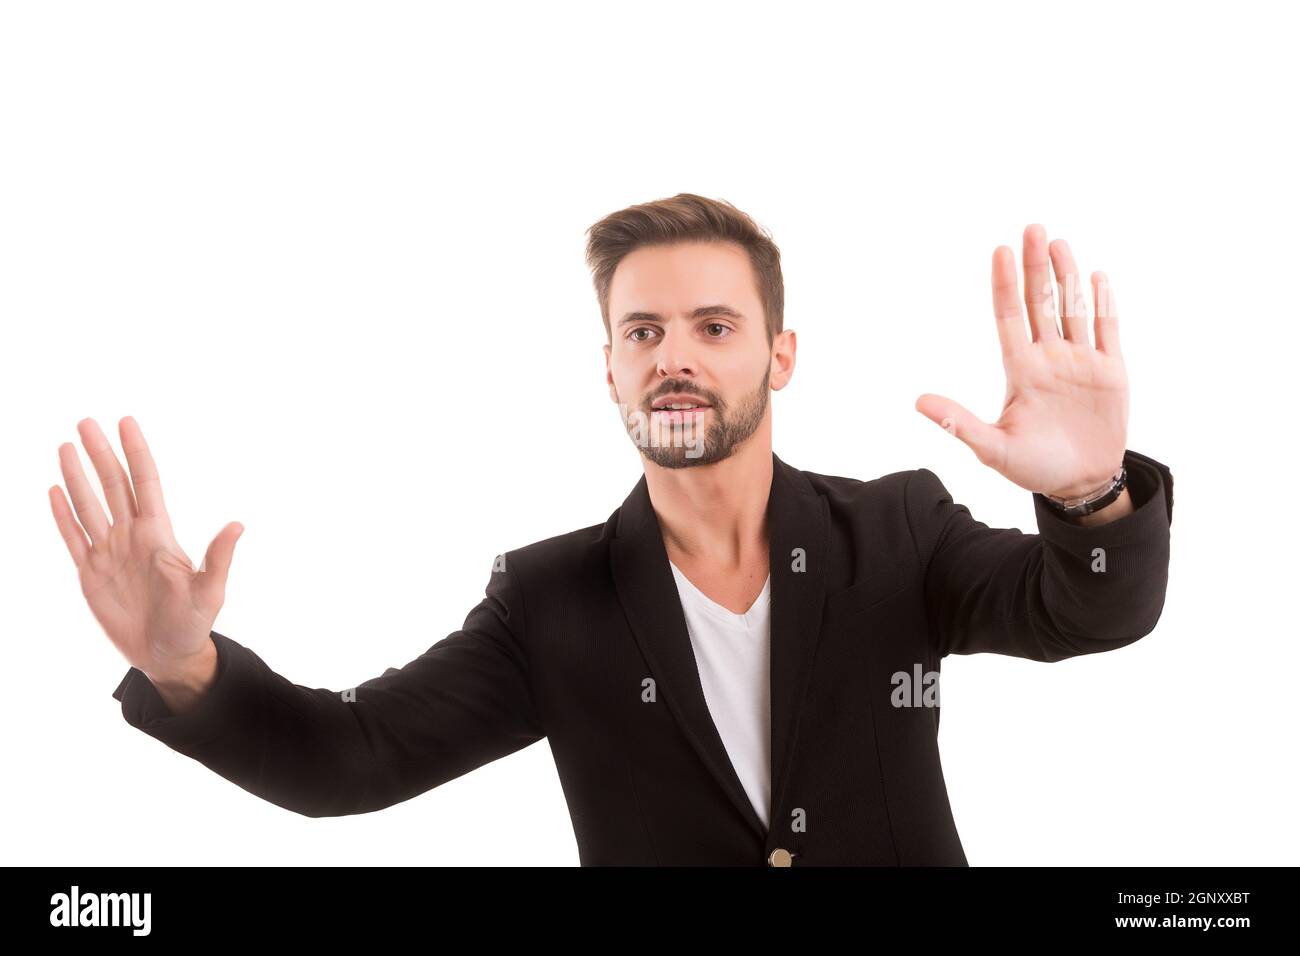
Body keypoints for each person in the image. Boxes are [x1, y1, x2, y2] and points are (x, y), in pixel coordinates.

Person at [49, 194, 1173, 865]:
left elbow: (1086, 608)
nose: (672, 354)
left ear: (780, 357)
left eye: (713, 325)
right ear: (609, 369)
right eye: (641, 330)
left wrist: (1086, 496)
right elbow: (350, 759)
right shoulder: (549, 602)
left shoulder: (895, 528)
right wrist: (183, 665)